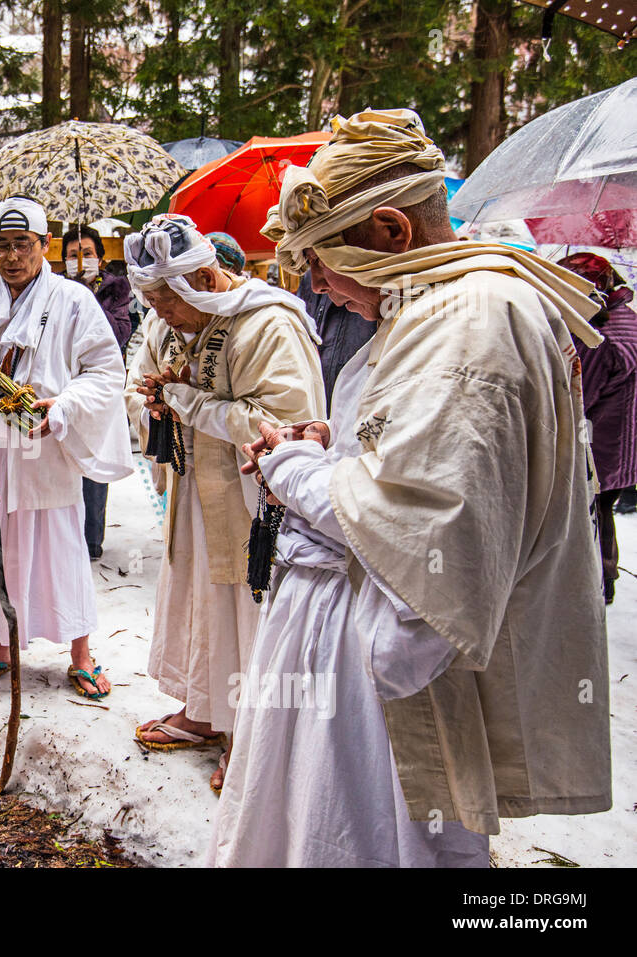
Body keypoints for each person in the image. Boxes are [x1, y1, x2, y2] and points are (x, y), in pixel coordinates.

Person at [210, 108, 611, 866]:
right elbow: (400, 465)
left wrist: (291, 470)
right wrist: (329, 452)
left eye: (323, 262)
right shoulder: (432, 307)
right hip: (339, 641)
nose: (321, 288)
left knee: (357, 835)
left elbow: (425, 541)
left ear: (392, 230)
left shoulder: (468, 320)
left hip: (372, 688)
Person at [123, 214, 324, 791]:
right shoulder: (169, 320)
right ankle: (207, 709)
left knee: (246, 610)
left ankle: (253, 736)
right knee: (198, 598)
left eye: (166, 300)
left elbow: (285, 424)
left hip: (251, 502)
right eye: (151, 300)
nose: (158, 312)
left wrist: (186, 402)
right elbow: (142, 383)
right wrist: (151, 405)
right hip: (192, 493)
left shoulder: (268, 325)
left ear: (206, 282)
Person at [0, 197, 133, 695]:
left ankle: (81, 651)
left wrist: (63, 408)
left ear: (44, 245)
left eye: (22, 245)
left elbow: (105, 370)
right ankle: (2, 643)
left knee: (61, 547)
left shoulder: (73, 300)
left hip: (44, 447)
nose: (11, 257)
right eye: (2, 246)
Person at [558, 252, 637, 604]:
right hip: (624, 443)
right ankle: (605, 580)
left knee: (595, 514)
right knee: (604, 511)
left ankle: (599, 586)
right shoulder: (628, 319)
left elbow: (578, 400)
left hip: (604, 445)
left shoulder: (600, 337)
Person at [62, 225, 132, 560]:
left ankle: (92, 540)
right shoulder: (56, 289)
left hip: (99, 389)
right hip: (63, 385)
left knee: (92, 461)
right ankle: (64, 535)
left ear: (100, 258)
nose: (80, 260)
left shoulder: (115, 289)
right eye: (73, 254)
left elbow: (119, 332)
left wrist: (87, 298)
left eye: (87, 253)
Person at [296, 270, 375, 409]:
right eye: (311, 260)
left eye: (319, 261)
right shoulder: (310, 281)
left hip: (363, 414)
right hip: (327, 415)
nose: (317, 286)